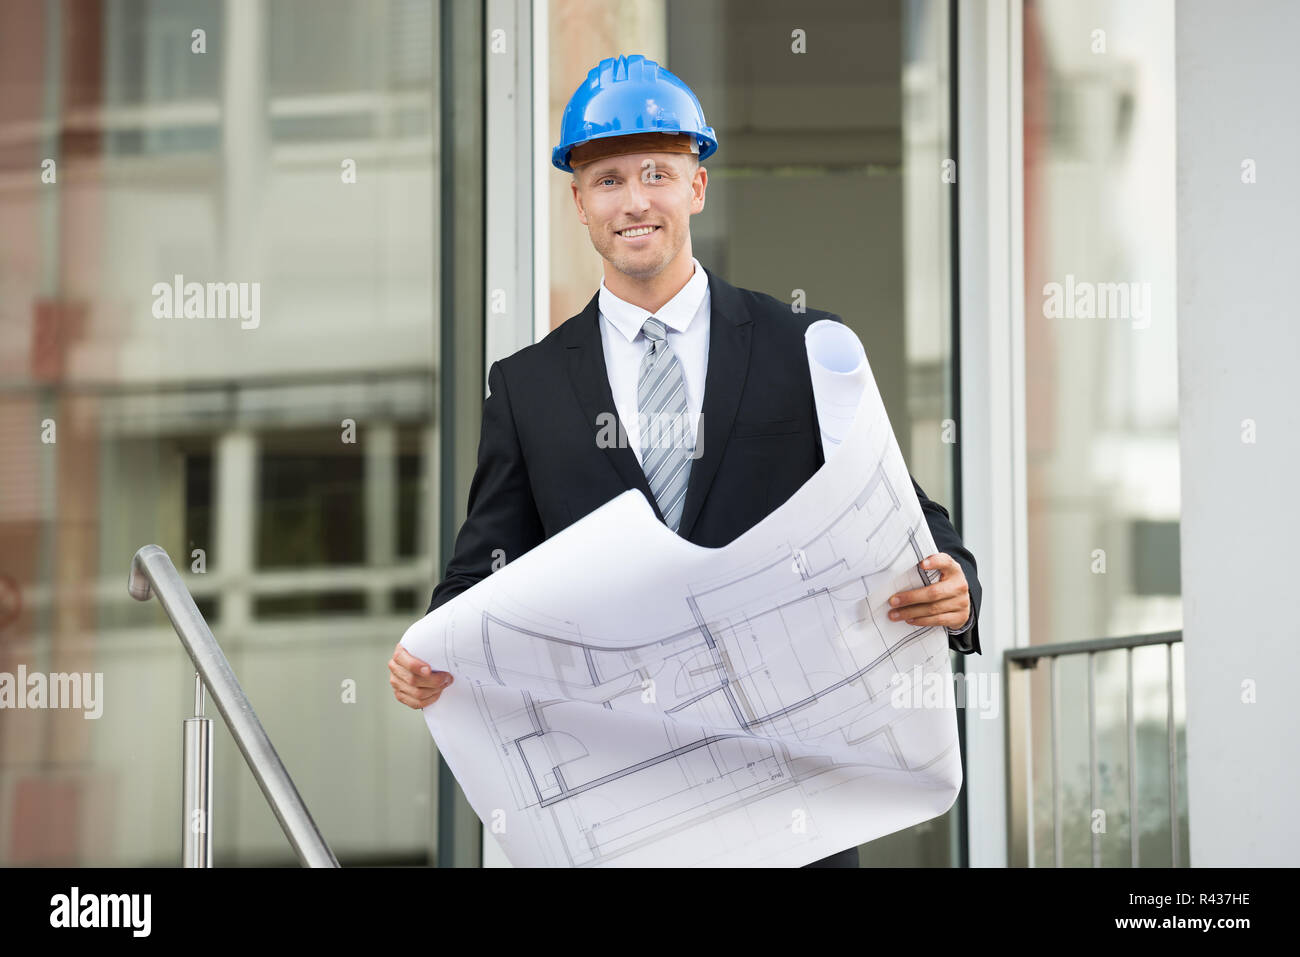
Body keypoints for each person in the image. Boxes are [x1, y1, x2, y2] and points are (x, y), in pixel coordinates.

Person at [390, 54, 982, 868]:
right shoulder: (526, 388)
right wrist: (432, 650)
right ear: (579, 203)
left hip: (791, 799)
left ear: (696, 186)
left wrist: (952, 582)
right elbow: (482, 577)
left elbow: (905, 517)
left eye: (657, 173)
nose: (634, 201)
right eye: (607, 181)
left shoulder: (800, 347)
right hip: (629, 804)